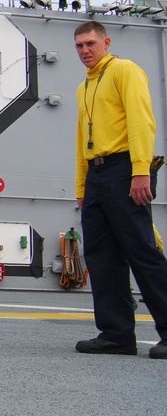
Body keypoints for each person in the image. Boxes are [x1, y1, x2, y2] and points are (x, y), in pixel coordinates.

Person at [73, 21, 167, 358]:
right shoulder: (84, 88)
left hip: (125, 168)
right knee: (102, 257)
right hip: (97, 176)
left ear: (106, 42)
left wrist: (141, 171)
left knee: (141, 250)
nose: (85, 50)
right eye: (80, 46)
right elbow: (82, 141)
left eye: (90, 44)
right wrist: (82, 187)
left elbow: (142, 121)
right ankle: (116, 334)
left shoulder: (125, 71)